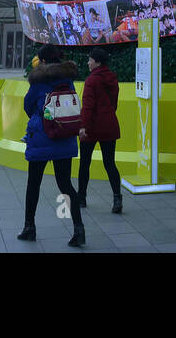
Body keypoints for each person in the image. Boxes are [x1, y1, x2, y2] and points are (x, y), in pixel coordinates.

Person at [18, 46, 84, 247]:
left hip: (42, 138)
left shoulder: (39, 82)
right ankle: (78, 229)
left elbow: (28, 106)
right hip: (65, 136)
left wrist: (42, 119)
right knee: (65, 184)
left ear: (43, 61)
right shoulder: (68, 79)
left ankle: (29, 227)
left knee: (34, 183)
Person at [76, 48, 122, 214]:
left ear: (98, 62)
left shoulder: (91, 81)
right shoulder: (112, 78)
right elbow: (114, 104)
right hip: (109, 124)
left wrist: (82, 127)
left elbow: (87, 107)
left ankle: (81, 198)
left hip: (92, 127)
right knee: (110, 163)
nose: (88, 63)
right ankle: (117, 198)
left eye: (90, 60)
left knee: (85, 163)